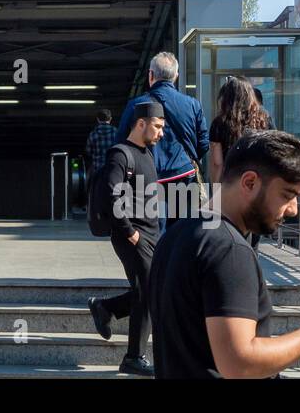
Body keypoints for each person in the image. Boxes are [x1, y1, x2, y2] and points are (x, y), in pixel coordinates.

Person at [149, 130, 300, 378]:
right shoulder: (229, 249)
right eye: (287, 195)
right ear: (249, 182)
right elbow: (239, 363)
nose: (293, 210)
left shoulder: (177, 232)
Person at [88, 101, 164, 376]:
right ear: (140, 124)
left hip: (150, 235)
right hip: (132, 236)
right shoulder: (120, 154)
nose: (161, 133)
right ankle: (134, 357)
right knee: (149, 292)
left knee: (147, 291)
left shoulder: (147, 154)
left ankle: (105, 307)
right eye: (157, 126)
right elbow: (112, 193)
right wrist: (129, 231)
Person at [117, 51, 209, 234]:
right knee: (182, 235)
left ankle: (156, 262)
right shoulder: (192, 104)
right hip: (184, 176)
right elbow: (203, 143)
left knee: (152, 232)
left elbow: (121, 141)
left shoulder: (136, 105)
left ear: (151, 75)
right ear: (176, 76)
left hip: (148, 180)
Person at [207, 77, 270, 184]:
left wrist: (216, 190)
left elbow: (217, 163)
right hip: (257, 180)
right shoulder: (263, 117)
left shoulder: (219, 123)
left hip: (231, 182)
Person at [85, 109, 116, 177]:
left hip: (97, 170)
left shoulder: (93, 134)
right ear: (110, 119)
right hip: (113, 169)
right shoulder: (116, 133)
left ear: (98, 119)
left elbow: (88, 152)